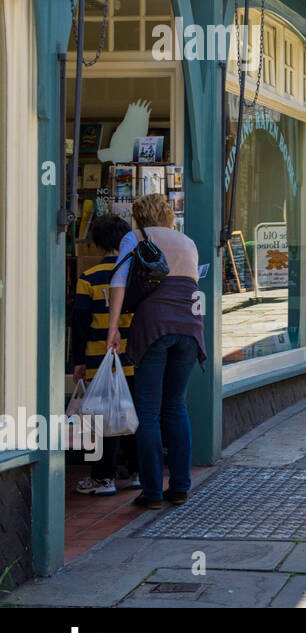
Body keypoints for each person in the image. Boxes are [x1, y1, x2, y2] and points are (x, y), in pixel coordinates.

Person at [106, 194, 206, 510]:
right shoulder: (188, 242)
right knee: (175, 405)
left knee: (148, 410)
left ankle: (151, 493)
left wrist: (113, 328)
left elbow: (118, 282)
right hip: (190, 327)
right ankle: (179, 487)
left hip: (153, 326)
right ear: (168, 215)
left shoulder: (135, 237)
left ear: (138, 216)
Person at [71, 214, 138, 496]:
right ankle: (136, 472)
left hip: (99, 359)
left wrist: (78, 361)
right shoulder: (135, 275)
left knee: (99, 420)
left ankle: (102, 478)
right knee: (132, 416)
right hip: (131, 359)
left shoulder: (88, 278)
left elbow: (80, 322)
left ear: (97, 243)